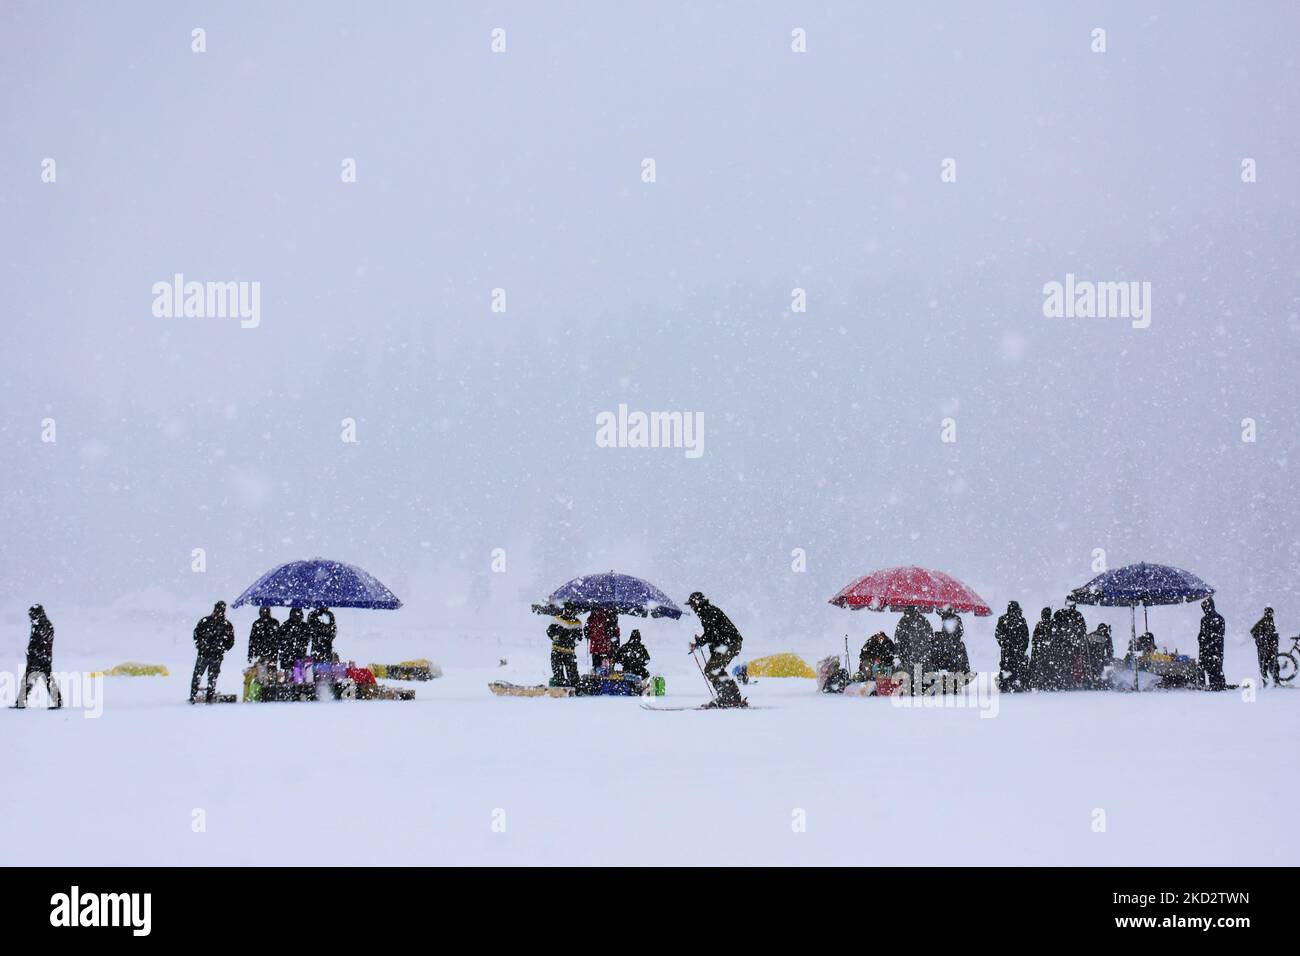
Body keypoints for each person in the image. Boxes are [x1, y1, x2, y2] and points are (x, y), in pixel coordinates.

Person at [686, 592, 746, 708]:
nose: (692, 607)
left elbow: (711, 634)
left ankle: (726, 698)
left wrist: (698, 644)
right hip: (730, 643)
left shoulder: (708, 612)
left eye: (692, 604)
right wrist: (701, 642)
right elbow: (714, 634)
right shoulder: (707, 611)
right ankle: (733, 697)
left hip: (730, 644)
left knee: (711, 669)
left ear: (698, 602)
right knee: (716, 669)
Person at [15, 604, 60, 709]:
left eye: (32, 615)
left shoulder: (43, 625)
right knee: (43, 680)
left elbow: (41, 643)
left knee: (40, 680)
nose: (31, 618)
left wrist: (33, 652)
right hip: (40, 658)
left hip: (40, 658)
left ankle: (21, 702)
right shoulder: (40, 624)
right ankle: (21, 702)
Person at [190, 600, 236, 703]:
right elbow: (196, 634)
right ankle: (193, 696)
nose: (218, 613)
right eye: (217, 610)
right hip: (204, 654)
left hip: (216, 656)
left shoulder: (226, 625)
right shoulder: (205, 621)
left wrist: (222, 649)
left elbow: (231, 641)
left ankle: (209, 698)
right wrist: (201, 645)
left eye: (220, 611)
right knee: (197, 676)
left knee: (212, 678)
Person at [995, 601, 1030, 692]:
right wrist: (1022, 647)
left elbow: (998, 634)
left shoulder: (1003, 619)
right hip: (1016, 649)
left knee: (1006, 666)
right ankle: (1014, 683)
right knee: (1016, 666)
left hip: (1008, 649)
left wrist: (1003, 642)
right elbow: (1026, 636)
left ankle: (1005, 684)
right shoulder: (1021, 620)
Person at [547, 603, 583, 689]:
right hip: (557, 649)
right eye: (568, 609)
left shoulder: (577, 622)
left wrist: (577, 639)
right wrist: (553, 636)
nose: (569, 611)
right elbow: (549, 631)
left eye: (571, 610)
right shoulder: (557, 619)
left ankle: (575, 687)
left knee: (572, 673)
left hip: (569, 651)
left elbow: (580, 636)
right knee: (558, 672)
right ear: (564, 609)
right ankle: (560, 687)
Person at [894, 606, 933, 686]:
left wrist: (901, 655)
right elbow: (930, 639)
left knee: (910, 684)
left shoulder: (903, 621)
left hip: (909, 659)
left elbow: (898, 641)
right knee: (922, 684)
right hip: (921, 659)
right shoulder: (923, 620)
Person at [931, 609, 972, 676]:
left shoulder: (939, 641)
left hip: (944, 670)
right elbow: (965, 666)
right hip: (954, 670)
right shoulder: (959, 645)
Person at [1198, 597, 1226, 691]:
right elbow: (1202, 633)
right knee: (1207, 668)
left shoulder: (1219, 619)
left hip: (1214, 649)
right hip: (1206, 649)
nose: (1205, 610)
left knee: (1215, 668)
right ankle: (1213, 685)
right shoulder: (1204, 620)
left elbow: (1219, 635)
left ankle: (1218, 686)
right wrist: (1202, 638)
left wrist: (1207, 638)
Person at [1251, 607, 1281, 687]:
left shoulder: (1269, 621)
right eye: (1269, 613)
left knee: (1270, 665)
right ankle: (1269, 683)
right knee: (1266, 665)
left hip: (1269, 647)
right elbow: (1253, 632)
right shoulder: (1263, 621)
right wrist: (1261, 639)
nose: (1270, 614)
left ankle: (1273, 682)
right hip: (1265, 648)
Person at [585, 607, 620, 672]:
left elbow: (587, 629)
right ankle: (606, 671)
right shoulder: (611, 615)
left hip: (597, 645)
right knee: (607, 664)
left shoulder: (593, 616)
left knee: (598, 664)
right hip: (606, 645)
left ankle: (598, 671)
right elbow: (615, 631)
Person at [1084, 623, 1114, 689]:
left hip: (1091, 656)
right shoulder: (1106, 636)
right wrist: (1110, 656)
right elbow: (1109, 650)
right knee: (1099, 670)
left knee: (1093, 670)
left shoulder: (1092, 635)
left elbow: (1086, 643)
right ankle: (1098, 683)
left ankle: (1092, 683)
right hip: (1098, 656)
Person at [1029, 606, 1052, 690]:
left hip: (1039, 651)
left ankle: (1038, 682)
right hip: (1049, 652)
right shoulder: (1052, 624)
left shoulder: (1039, 625)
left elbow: (1034, 640)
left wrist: (1038, 645)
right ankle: (1047, 682)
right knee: (1048, 668)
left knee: (1038, 668)